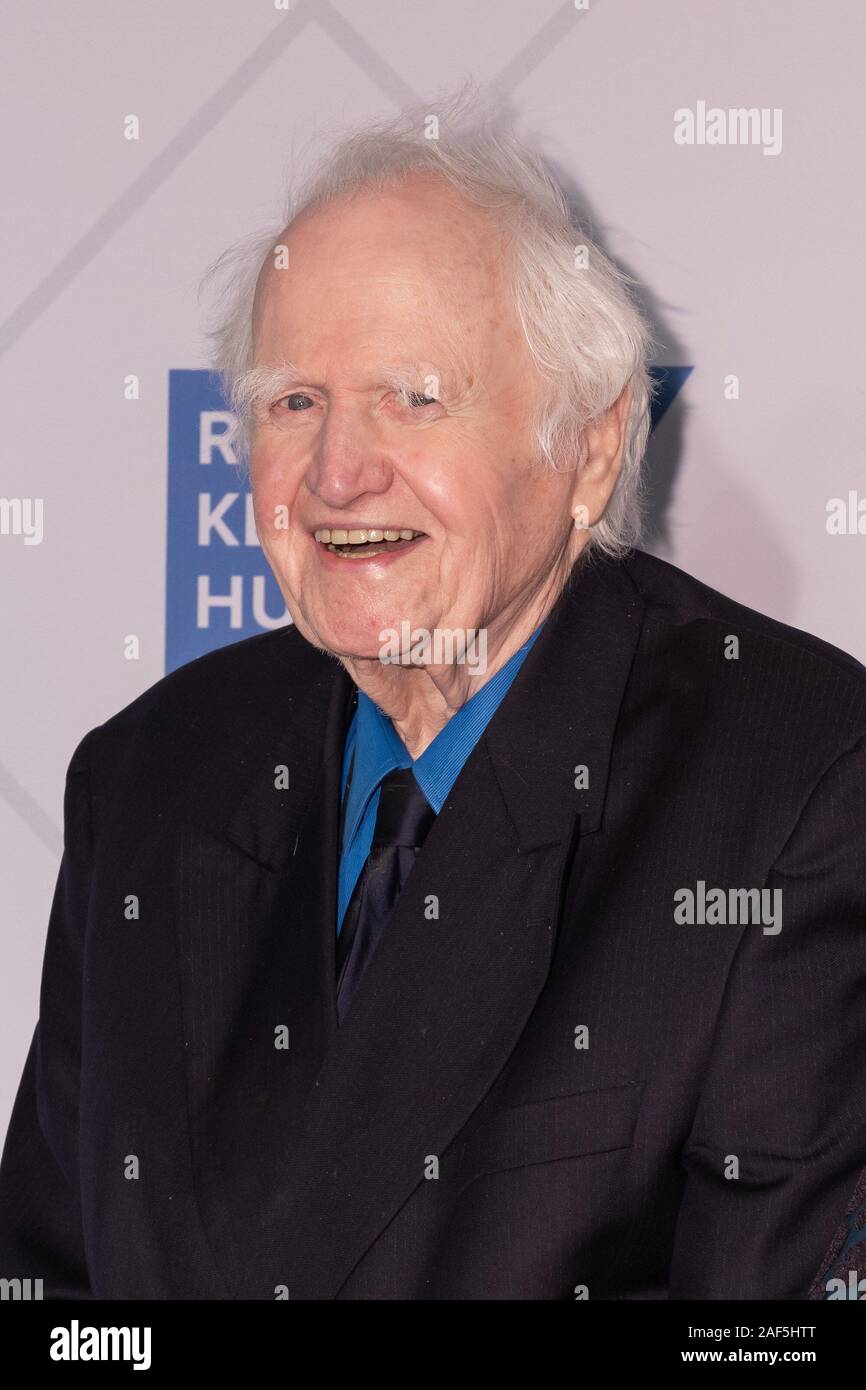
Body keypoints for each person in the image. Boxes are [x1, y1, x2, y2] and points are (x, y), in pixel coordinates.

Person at [1, 99, 865, 1300]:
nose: (337, 472)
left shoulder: (796, 791)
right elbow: (52, 1289)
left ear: (595, 446)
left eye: (412, 395)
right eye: (293, 401)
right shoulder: (147, 777)